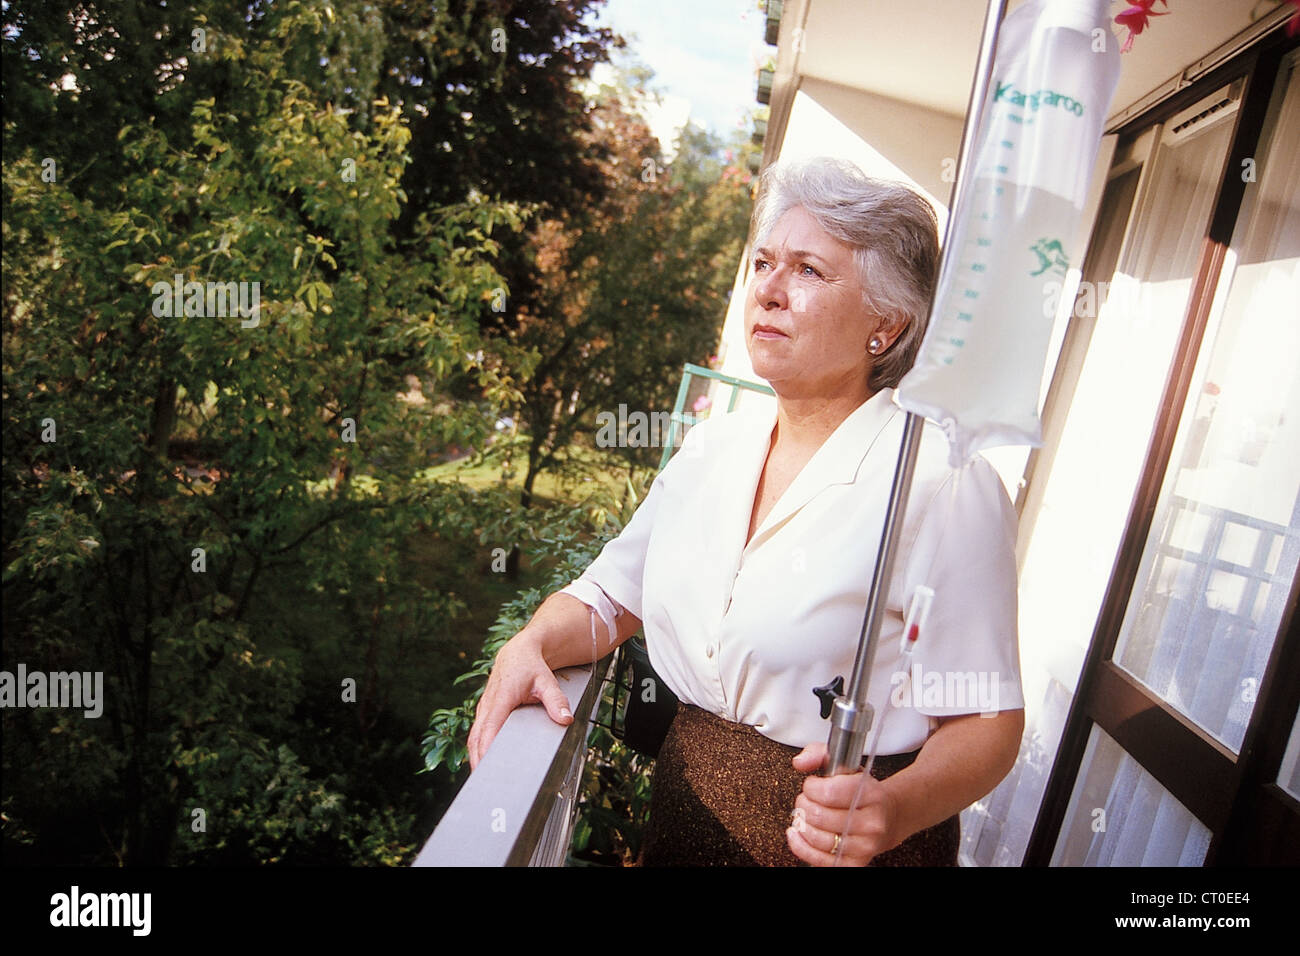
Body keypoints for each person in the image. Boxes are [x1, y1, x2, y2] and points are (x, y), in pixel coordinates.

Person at [468, 157, 1025, 867]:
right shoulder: (716, 447)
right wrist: (533, 643)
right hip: (683, 823)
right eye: (762, 263)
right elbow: (608, 596)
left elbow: (988, 719)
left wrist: (895, 809)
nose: (768, 290)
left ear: (885, 324)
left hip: (843, 845)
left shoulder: (942, 481)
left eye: (808, 271)